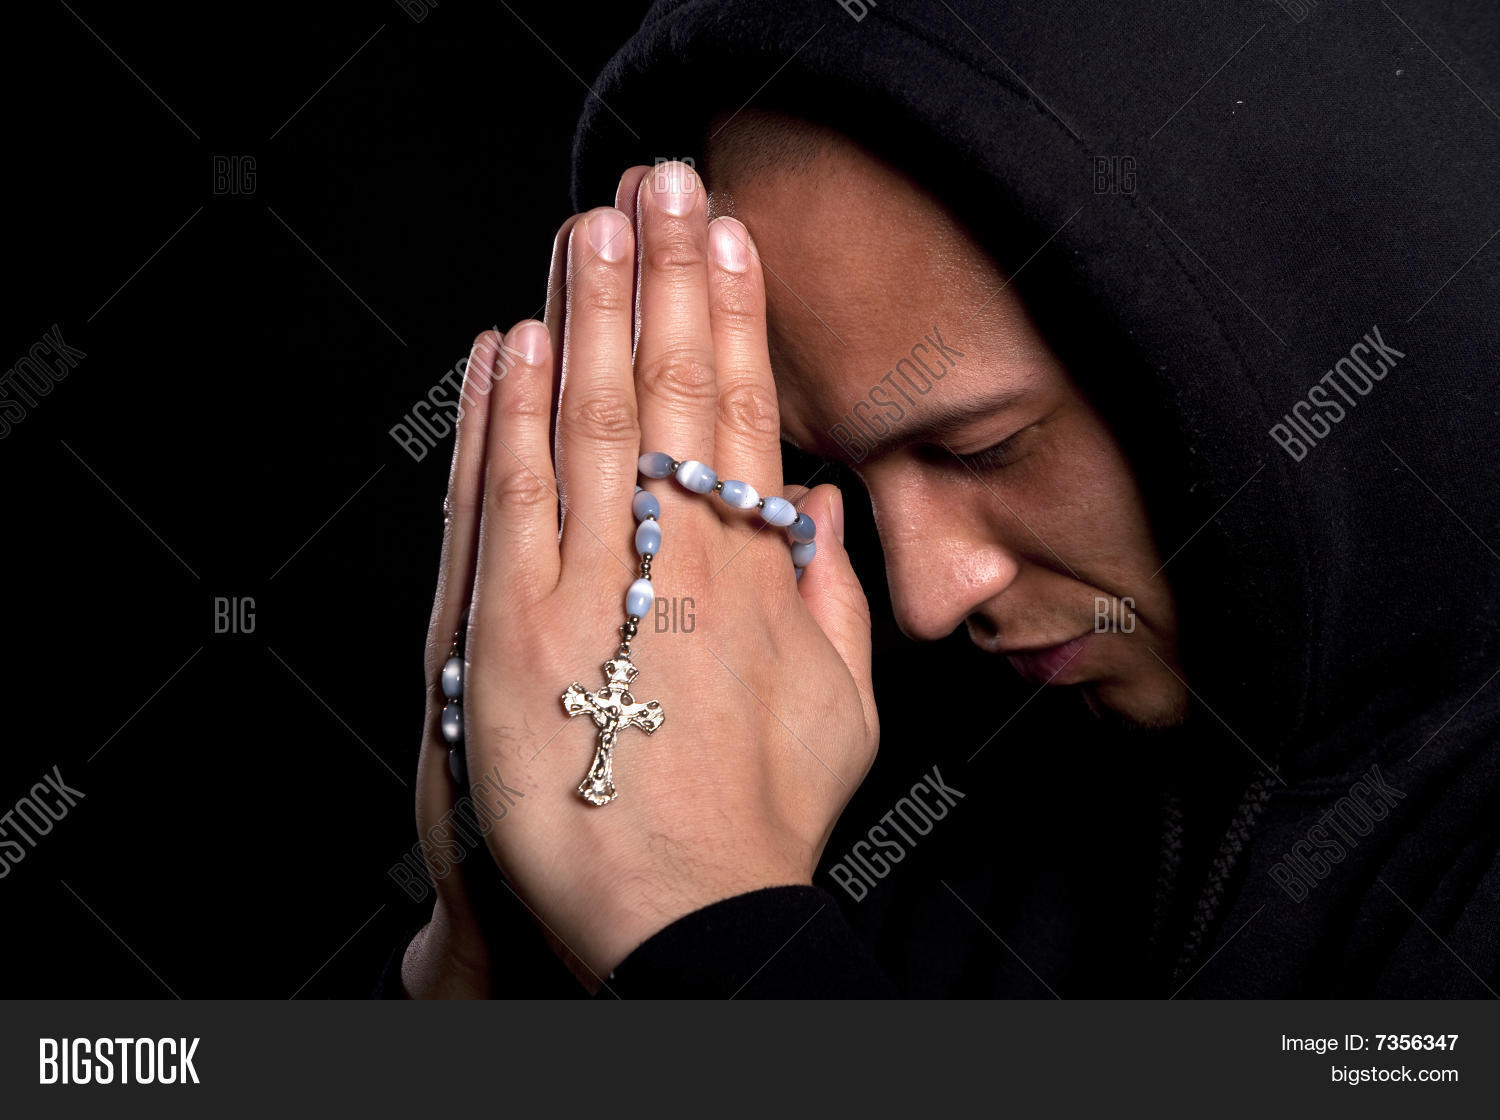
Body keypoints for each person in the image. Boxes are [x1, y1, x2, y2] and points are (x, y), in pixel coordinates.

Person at [389, 0, 1500, 997]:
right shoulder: (927, 817)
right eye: (827, 472)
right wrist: (512, 967)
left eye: (983, 445)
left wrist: (705, 926)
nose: (924, 597)